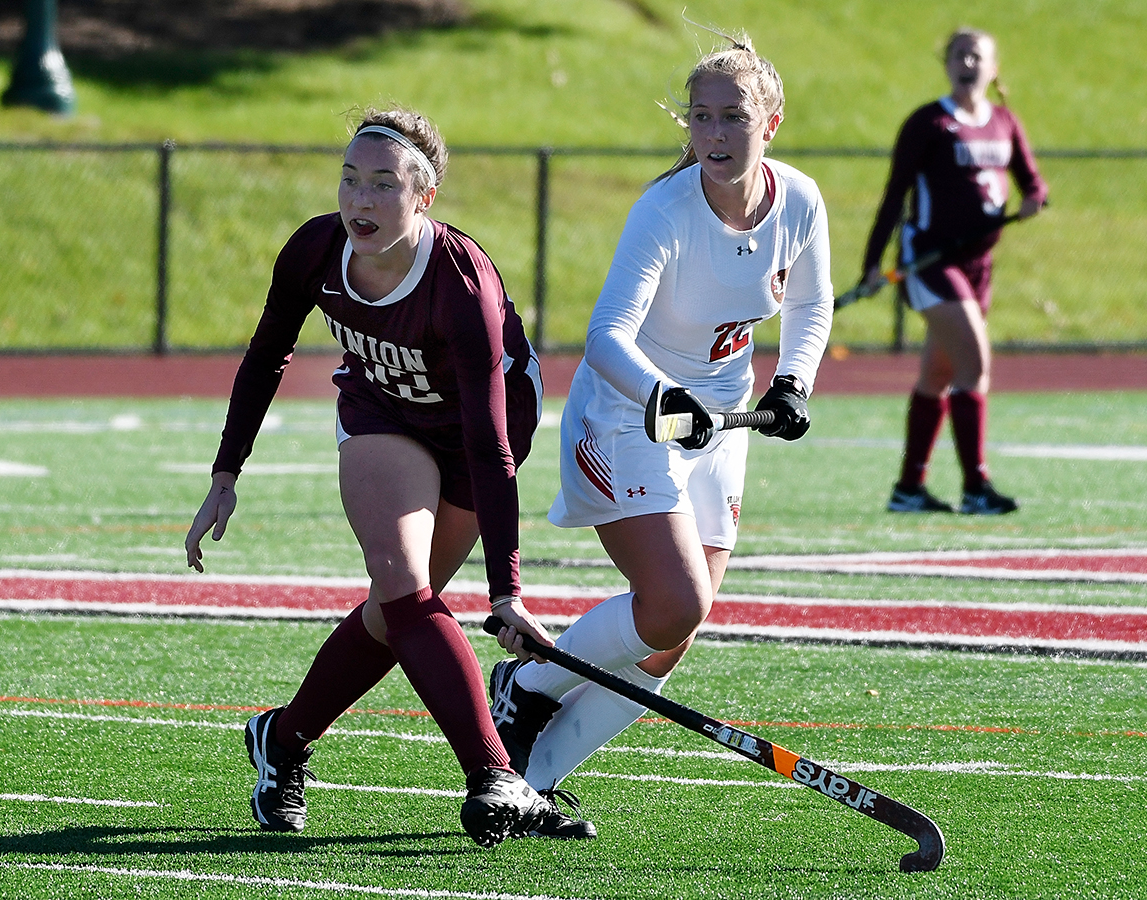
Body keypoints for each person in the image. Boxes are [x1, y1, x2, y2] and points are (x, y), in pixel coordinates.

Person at [184, 106, 587, 846]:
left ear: (422, 196)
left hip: (479, 433)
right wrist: (225, 473)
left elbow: (491, 441)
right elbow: (266, 354)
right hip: (380, 414)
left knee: (399, 610)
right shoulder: (314, 250)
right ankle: (497, 777)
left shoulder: (461, 283)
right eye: (348, 180)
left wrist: (507, 592)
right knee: (405, 585)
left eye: (381, 184)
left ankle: (284, 738)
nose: (359, 201)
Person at [488, 28, 832, 830]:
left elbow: (811, 306)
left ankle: (530, 781)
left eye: (733, 118)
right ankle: (528, 686)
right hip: (627, 413)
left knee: (673, 634)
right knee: (674, 600)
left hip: (721, 424)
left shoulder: (802, 201)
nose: (713, 135)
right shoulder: (665, 210)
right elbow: (606, 336)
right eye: (700, 118)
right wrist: (665, 395)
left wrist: (793, 381)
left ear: (770, 122)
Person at [863, 27, 1047, 515]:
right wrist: (871, 264)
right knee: (975, 366)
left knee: (940, 373)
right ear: (947, 64)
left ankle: (908, 489)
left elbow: (1033, 183)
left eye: (977, 56)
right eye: (959, 55)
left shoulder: (1005, 122)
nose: (967, 63)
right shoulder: (928, 123)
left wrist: (1033, 200)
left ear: (993, 68)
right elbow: (894, 194)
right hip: (930, 260)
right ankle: (976, 488)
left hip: (978, 264)